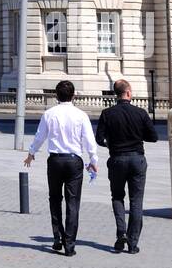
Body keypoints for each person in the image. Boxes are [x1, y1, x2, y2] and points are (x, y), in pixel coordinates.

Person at [24, 80, 98, 255]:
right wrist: (93, 160)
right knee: (73, 202)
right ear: (73, 95)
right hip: (74, 161)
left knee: (55, 199)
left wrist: (31, 153)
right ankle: (70, 244)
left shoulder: (49, 114)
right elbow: (89, 140)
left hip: (55, 160)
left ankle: (57, 237)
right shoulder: (81, 115)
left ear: (56, 96)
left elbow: (40, 136)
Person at [95, 78, 158, 254]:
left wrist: (111, 144)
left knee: (117, 197)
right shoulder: (140, 113)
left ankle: (121, 232)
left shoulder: (107, 113)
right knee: (136, 201)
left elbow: (99, 139)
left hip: (117, 159)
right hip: (137, 159)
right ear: (128, 93)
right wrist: (137, 136)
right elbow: (153, 137)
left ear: (116, 94)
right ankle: (132, 243)